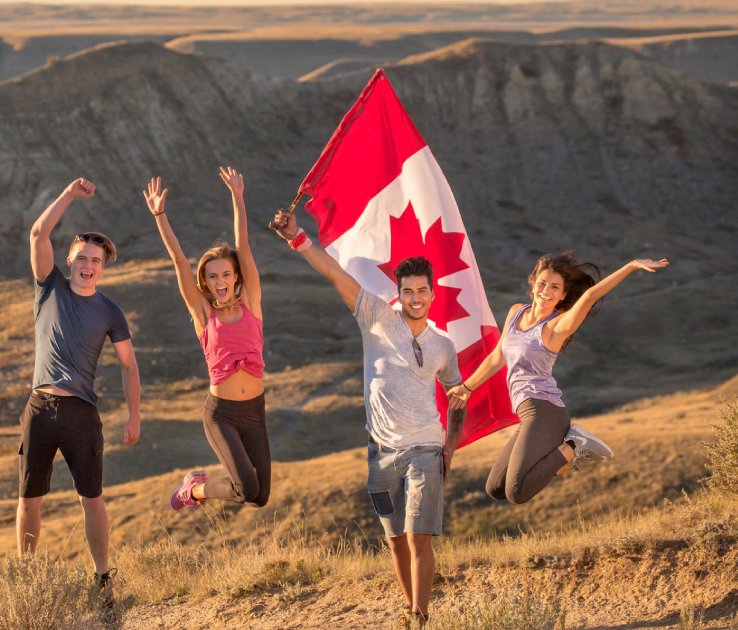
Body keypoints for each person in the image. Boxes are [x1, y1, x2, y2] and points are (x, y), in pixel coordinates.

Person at [271, 209, 465, 626]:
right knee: (395, 542)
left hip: (424, 449)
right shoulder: (376, 317)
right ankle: (409, 609)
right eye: (408, 290)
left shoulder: (444, 346)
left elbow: (456, 396)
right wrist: (297, 237)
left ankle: (420, 616)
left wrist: (450, 446)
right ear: (398, 292)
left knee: (418, 538)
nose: (415, 297)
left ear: (433, 294)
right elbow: (335, 275)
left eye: (422, 291)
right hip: (380, 454)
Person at [448, 253, 668, 505]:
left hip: (545, 411)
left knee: (516, 492)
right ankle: (573, 450)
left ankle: (575, 446)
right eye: (542, 283)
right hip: (528, 413)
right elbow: (497, 358)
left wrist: (630, 266)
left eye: (555, 287)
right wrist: (466, 388)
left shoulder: (557, 327)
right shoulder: (516, 312)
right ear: (533, 285)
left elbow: (589, 296)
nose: (546, 291)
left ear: (563, 295)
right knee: (496, 488)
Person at [18, 177, 142, 601]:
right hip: (39, 406)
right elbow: (38, 233)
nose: (89, 264)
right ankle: (27, 580)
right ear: (69, 258)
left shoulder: (110, 310)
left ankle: (103, 577)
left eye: (97, 260)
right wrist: (69, 195)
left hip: (81, 414)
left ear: (103, 268)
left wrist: (134, 414)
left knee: (92, 498)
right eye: (83, 256)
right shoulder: (47, 287)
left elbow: (128, 366)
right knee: (29, 497)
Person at [144, 168, 271, 511]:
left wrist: (238, 197)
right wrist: (160, 215)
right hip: (222, 415)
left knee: (259, 496)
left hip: (255, 412)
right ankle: (193, 490)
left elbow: (242, 245)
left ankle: (198, 488)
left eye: (226, 274)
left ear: (235, 277)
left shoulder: (252, 303)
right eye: (213, 277)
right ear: (206, 282)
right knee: (245, 488)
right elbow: (178, 259)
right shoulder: (204, 315)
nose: (220, 281)